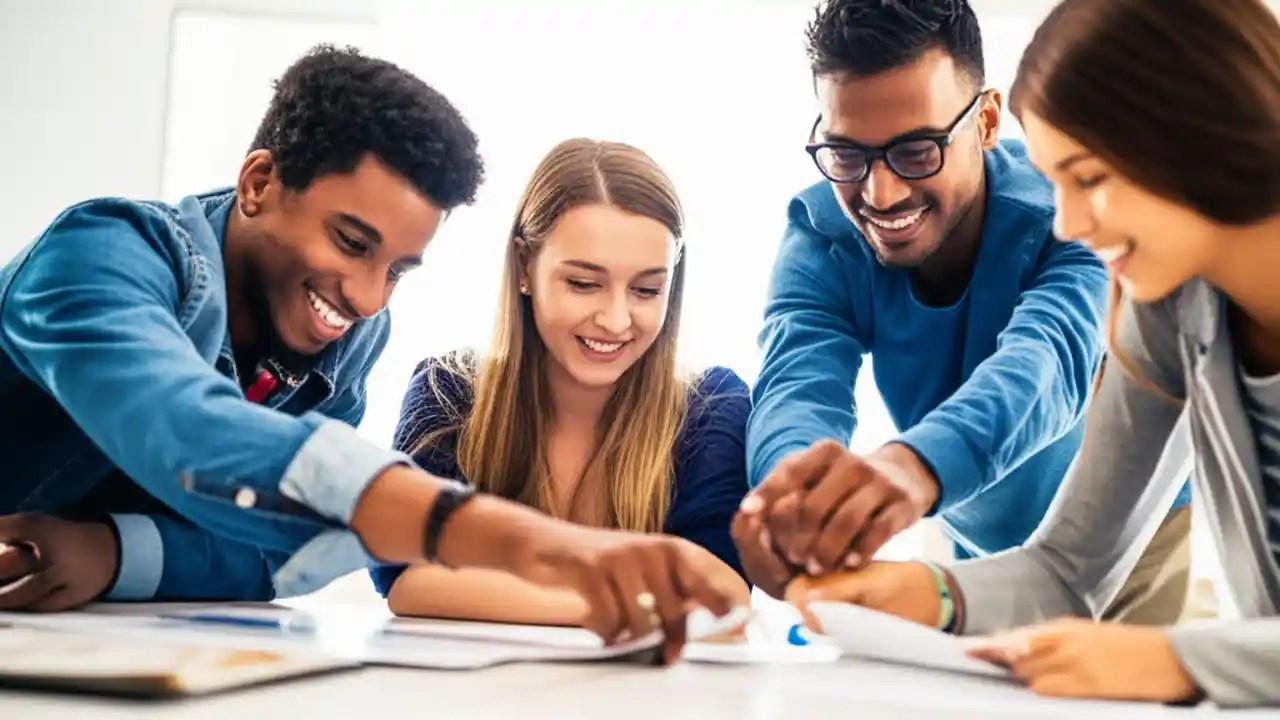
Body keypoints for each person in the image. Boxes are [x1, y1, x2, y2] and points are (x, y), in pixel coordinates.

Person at [0, 46, 733, 658]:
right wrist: (533, 545)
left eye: (398, 270)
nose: (370, 299)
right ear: (259, 182)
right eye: (352, 243)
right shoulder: (100, 254)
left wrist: (112, 554)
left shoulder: (349, 331)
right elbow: (186, 425)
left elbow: (286, 553)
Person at [776, 0, 1280, 706]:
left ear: (1204, 136)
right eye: (1056, 180)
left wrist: (1177, 661)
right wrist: (932, 595)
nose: (1068, 222)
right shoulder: (1169, 313)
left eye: (1090, 178)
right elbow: (1067, 571)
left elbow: (1041, 368)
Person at [735, 0, 1190, 623]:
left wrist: (913, 466)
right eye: (847, 155)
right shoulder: (822, 234)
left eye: (917, 151)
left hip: (1128, 534)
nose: (880, 193)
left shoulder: (1068, 213)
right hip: (963, 520)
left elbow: (1047, 364)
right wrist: (797, 496)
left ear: (986, 121)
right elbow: (798, 382)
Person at [373, 140, 751, 651]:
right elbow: (408, 579)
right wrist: (627, 599)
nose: (616, 320)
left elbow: (722, 592)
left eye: (646, 291)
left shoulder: (713, 406)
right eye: (583, 283)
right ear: (525, 267)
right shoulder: (449, 392)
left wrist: (481, 584)